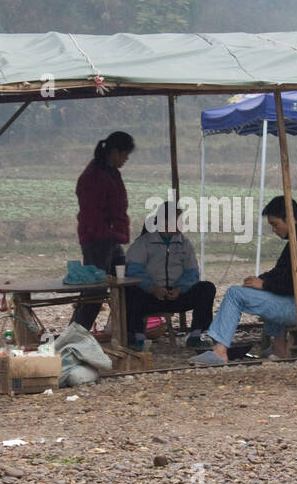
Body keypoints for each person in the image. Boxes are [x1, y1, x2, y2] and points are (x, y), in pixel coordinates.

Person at [190, 196, 297, 366]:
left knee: (235, 294)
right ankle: (279, 348)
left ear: (289, 218)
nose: (273, 229)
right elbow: (280, 272)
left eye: (275, 224)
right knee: (262, 291)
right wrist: (260, 281)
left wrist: (264, 284)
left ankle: (220, 352)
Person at [123, 203, 215, 351]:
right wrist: (152, 288)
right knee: (129, 291)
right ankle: (138, 338)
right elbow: (134, 271)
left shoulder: (184, 243)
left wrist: (180, 288)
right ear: (164, 222)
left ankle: (196, 335)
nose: (181, 223)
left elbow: (192, 272)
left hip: (177, 295)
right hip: (150, 296)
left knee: (207, 288)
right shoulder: (143, 243)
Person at [72, 131, 134, 330]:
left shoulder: (110, 172)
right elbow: (92, 213)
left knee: (123, 284)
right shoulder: (94, 176)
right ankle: (76, 334)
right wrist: (108, 233)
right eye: (124, 155)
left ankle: (123, 331)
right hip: (98, 240)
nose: (125, 160)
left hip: (111, 239)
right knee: (95, 292)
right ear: (115, 152)